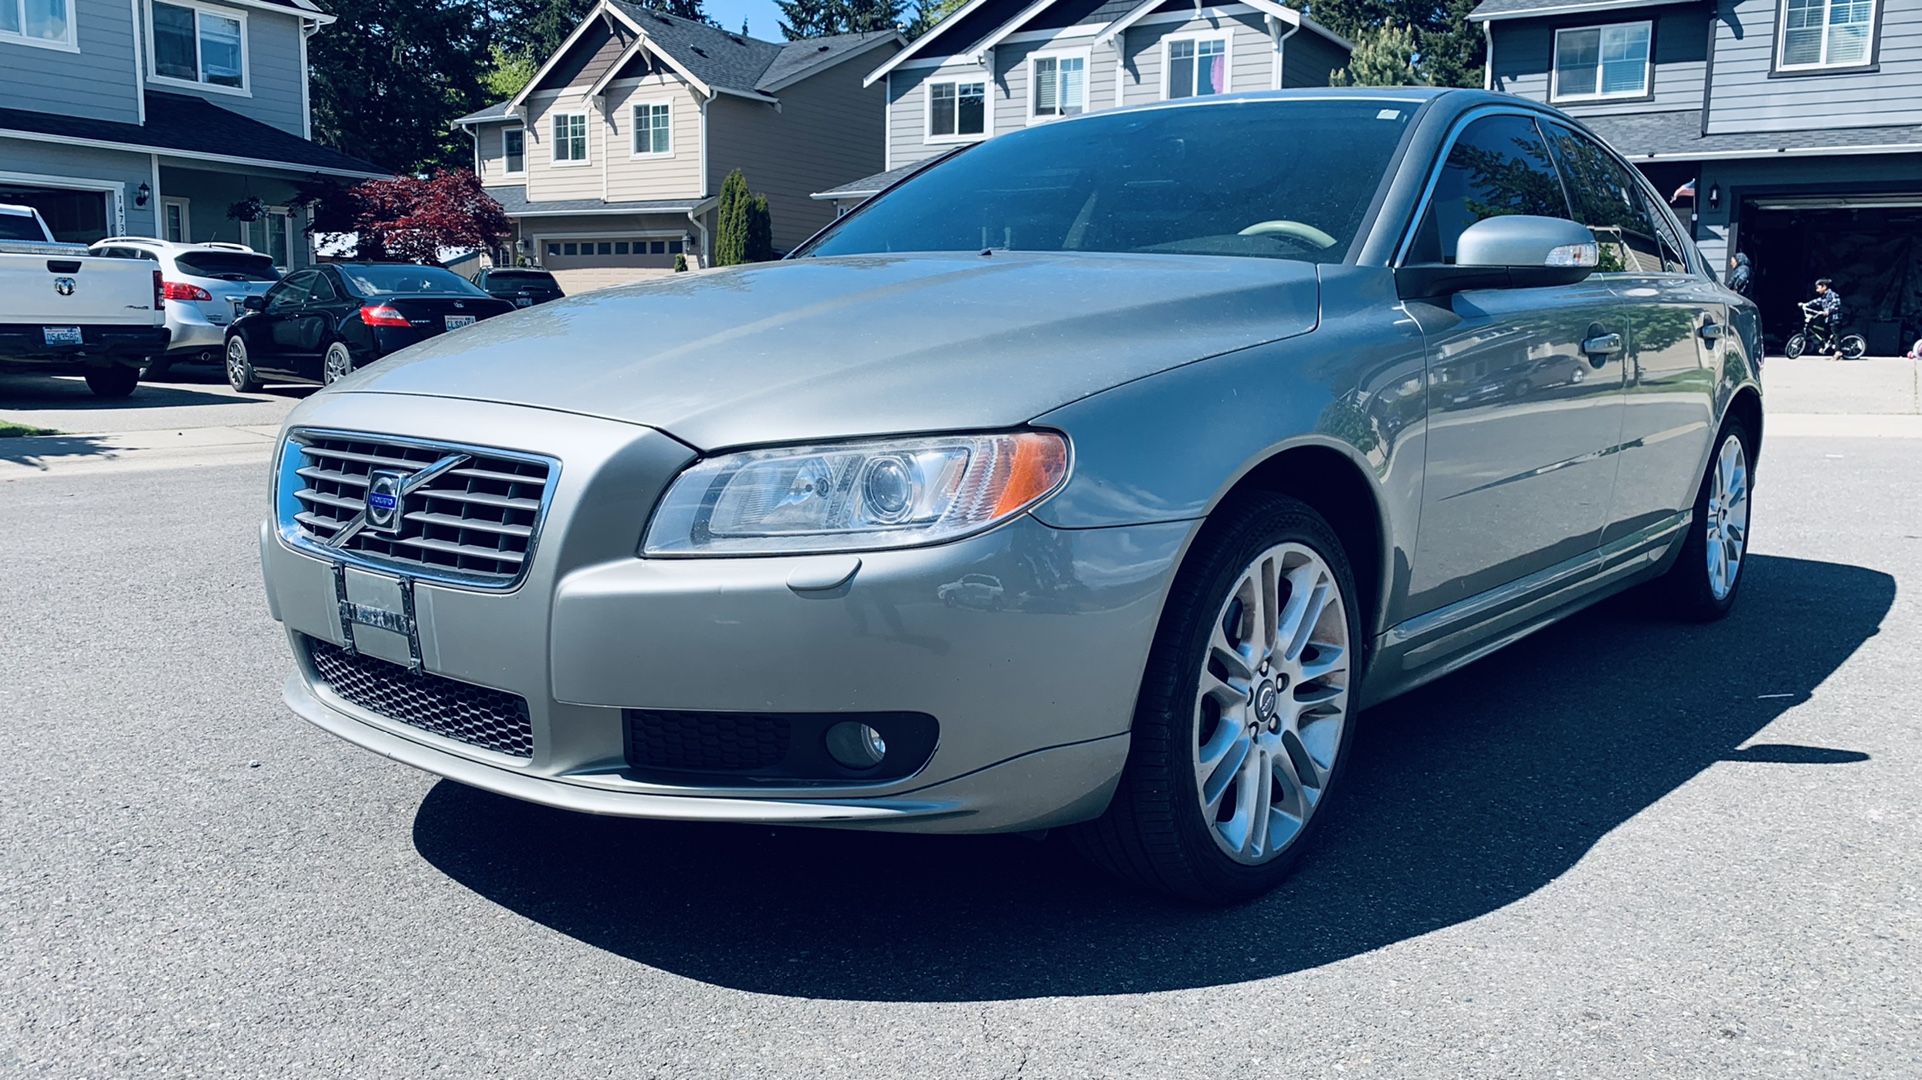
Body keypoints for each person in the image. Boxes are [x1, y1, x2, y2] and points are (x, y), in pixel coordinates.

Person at [1808, 278, 1845, 360]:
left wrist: (1828, 311)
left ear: (1824, 286)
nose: (1817, 290)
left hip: (1835, 318)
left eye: (1818, 287)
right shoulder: (1824, 297)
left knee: (1836, 334)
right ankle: (1827, 346)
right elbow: (1817, 301)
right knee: (1825, 333)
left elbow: (1836, 304)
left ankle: (1838, 352)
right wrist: (1806, 304)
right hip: (1828, 319)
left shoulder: (1832, 294)